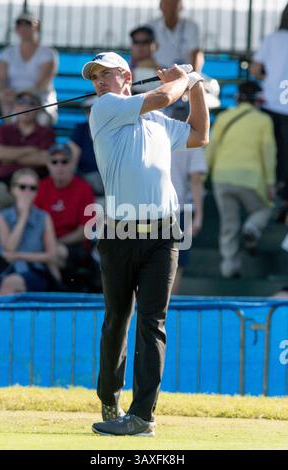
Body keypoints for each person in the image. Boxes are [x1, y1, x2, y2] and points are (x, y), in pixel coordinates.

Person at [81, 51, 209, 436]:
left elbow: (200, 134)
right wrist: (183, 78)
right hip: (119, 234)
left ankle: (142, 416)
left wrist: (197, 84)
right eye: (94, 78)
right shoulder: (104, 108)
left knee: (152, 322)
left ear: (125, 76)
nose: (99, 82)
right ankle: (109, 397)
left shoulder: (155, 122)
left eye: (106, 75)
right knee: (117, 320)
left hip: (163, 234)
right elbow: (163, 96)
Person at [206, 81, 276, 279]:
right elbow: (268, 153)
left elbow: (212, 148)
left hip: (221, 178)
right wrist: (270, 183)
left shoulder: (224, 117)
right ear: (257, 100)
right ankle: (251, 229)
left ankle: (229, 268)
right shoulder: (263, 120)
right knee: (263, 209)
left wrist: (204, 176)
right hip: (250, 178)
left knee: (229, 225)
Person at [34, 143, 101, 292]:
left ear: (72, 164)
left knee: (55, 251)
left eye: (64, 161)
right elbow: (34, 223)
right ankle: (58, 288)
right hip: (45, 244)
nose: (59, 166)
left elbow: (85, 230)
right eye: (54, 162)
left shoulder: (84, 188)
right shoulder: (41, 187)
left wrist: (55, 242)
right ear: (48, 165)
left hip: (76, 247)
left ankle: (57, 290)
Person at [0, 168, 59, 296]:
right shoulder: (3, 216)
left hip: (37, 271)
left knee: (11, 283)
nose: (27, 192)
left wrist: (19, 256)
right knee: (9, 283)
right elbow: (9, 249)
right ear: (13, 190)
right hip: (9, 270)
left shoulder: (43, 217)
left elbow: (52, 255)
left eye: (32, 188)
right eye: (22, 187)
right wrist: (23, 216)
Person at [0, 90, 55, 215]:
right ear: (15, 107)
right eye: (21, 102)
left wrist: (11, 157)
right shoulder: (4, 130)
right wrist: (30, 150)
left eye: (31, 103)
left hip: (37, 185)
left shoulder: (46, 132)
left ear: (38, 108)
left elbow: (44, 159)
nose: (26, 106)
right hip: (5, 184)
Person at [250, 3, 288, 221]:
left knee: (269, 153)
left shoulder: (272, 39)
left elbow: (255, 70)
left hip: (271, 103)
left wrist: (272, 78)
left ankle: (269, 195)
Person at [0, 11, 58, 125]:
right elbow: (0, 79)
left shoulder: (48, 53)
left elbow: (43, 83)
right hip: (12, 100)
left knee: (39, 118)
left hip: (40, 98)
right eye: (19, 23)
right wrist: (4, 92)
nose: (23, 27)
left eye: (28, 23)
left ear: (37, 26)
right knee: (7, 104)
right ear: (16, 28)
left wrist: (22, 97)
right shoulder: (7, 53)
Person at [171, 147, 207, 294]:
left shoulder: (150, 134)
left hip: (147, 209)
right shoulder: (192, 142)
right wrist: (199, 216)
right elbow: (196, 179)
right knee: (175, 266)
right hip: (179, 211)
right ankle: (167, 311)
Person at [148, 0, 204, 72]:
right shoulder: (151, 26)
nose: (170, 7)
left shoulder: (192, 26)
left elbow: (196, 53)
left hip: (186, 74)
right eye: (167, 3)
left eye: (174, 3)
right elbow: (143, 53)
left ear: (181, 6)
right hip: (159, 74)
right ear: (160, 6)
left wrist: (194, 75)